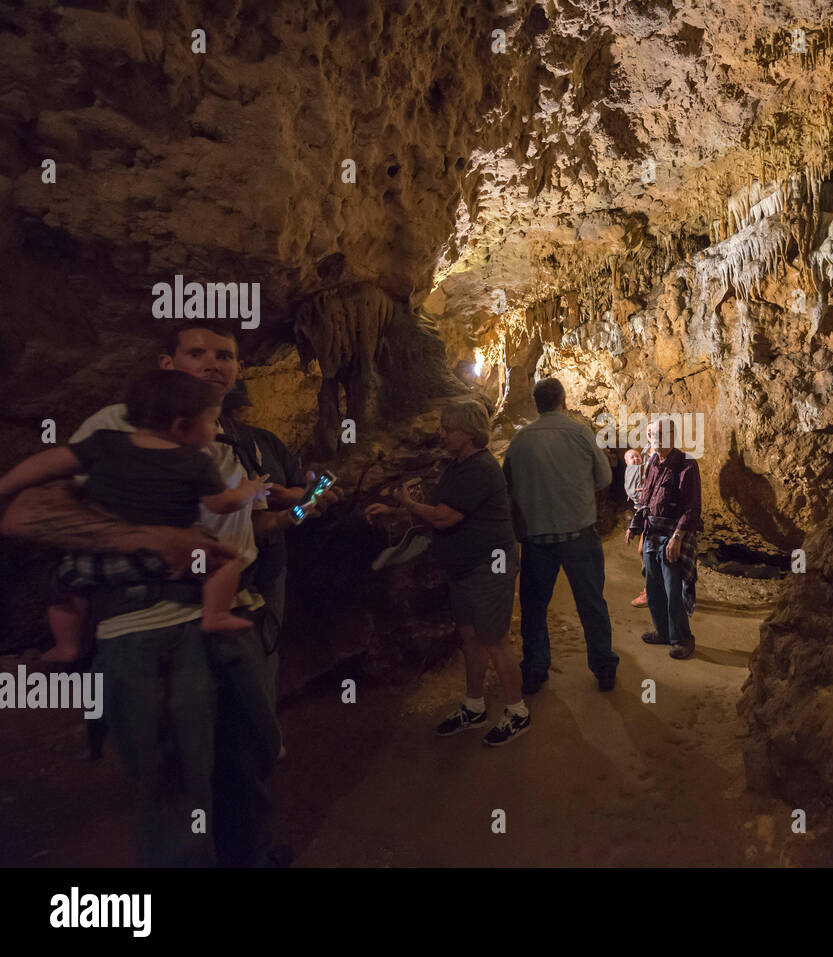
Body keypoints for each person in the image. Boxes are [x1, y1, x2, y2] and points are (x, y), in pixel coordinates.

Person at [0, 320, 340, 866]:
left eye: (223, 355)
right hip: (151, 622)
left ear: (239, 370)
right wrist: (150, 539)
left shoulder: (232, 443)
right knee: (175, 786)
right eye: (197, 353)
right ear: (166, 365)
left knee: (245, 763)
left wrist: (299, 511)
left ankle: (251, 857)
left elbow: (248, 531)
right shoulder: (120, 426)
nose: (212, 364)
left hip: (231, 619)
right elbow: (26, 513)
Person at [0, 370, 271, 650]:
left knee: (59, 586)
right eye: (211, 421)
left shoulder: (105, 442)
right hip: (159, 561)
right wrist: (248, 491)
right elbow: (222, 504)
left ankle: (66, 647)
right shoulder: (196, 463)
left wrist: (5, 486)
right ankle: (216, 615)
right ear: (181, 426)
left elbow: (48, 462)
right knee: (226, 560)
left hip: (91, 561)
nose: (216, 429)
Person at [366, 401, 528, 745]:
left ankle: (518, 712)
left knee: (495, 640)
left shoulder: (480, 468)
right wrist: (396, 510)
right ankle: (474, 707)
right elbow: (439, 507)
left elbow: (443, 517)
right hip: (466, 567)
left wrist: (407, 504)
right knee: (470, 637)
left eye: (448, 429)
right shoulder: (458, 466)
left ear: (468, 432)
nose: (442, 434)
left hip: (489, 567)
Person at [503, 378, 618, 693]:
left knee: (534, 607)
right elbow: (604, 477)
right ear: (563, 402)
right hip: (579, 533)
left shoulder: (520, 441)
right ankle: (604, 667)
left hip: (536, 537)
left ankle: (534, 669)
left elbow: (508, 486)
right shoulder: (580, 433)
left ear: (536, 405)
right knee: (591, 602)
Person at [221, 380, 314, 735]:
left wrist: (287, 498)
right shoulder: (204, 448)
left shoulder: (263, 441)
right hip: (225, 573)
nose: (237, 416)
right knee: (234, 655)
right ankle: (241, 734)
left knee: (267, 644)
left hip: (270, 561)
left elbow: (299, 490)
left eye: (238, 409)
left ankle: (264, 732)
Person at [626, 416, 701, 660]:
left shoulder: (686, 464)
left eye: (657, 434)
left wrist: (677, 537)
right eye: (650, 434)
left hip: (670, 535)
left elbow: (692, 507)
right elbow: (646, 497)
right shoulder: (653, 461)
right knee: (653, 586)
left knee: (673, 590)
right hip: (652, 532)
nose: (652, 438)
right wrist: (635, 525)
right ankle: (663, 631)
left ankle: (682, 639)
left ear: (670, 436)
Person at [624, 447, 650, 608]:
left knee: (644, 551)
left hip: (651, 514)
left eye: (637, 456)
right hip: (646, 514)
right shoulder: (633, 471)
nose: (635, 459)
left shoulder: (645, 467)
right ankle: (651, 589)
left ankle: (651, 591)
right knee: (644, 551)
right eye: (631, 457)